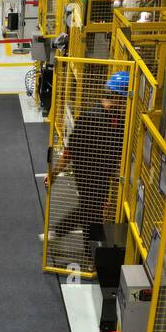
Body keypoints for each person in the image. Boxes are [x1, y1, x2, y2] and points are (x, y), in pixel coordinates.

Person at [45, 69, 129, 260]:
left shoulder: (121, 119)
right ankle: (91, 258)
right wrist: (55, 174)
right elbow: (70, 151)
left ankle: (61, 234)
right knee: (92, 214)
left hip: (104, 175)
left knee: (90, 211)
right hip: (88, 174)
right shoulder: (91, 118)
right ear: (119, 97)